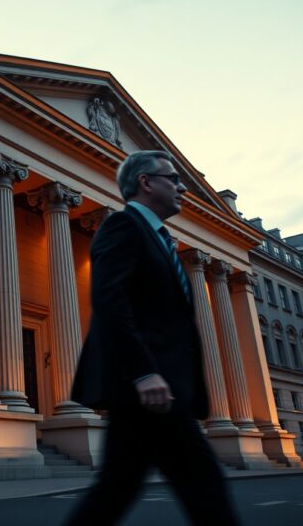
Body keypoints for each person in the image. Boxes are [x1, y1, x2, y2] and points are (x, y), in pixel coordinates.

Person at [67, 150, 239, 526]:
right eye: (173, 179)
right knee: (203, 488)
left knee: (117, 489)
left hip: (160, 393)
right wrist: (144, 372)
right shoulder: (123, 226)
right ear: (145, 183)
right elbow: (111, 302)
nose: (182, 188)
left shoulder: (160, 239)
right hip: (149, 390)